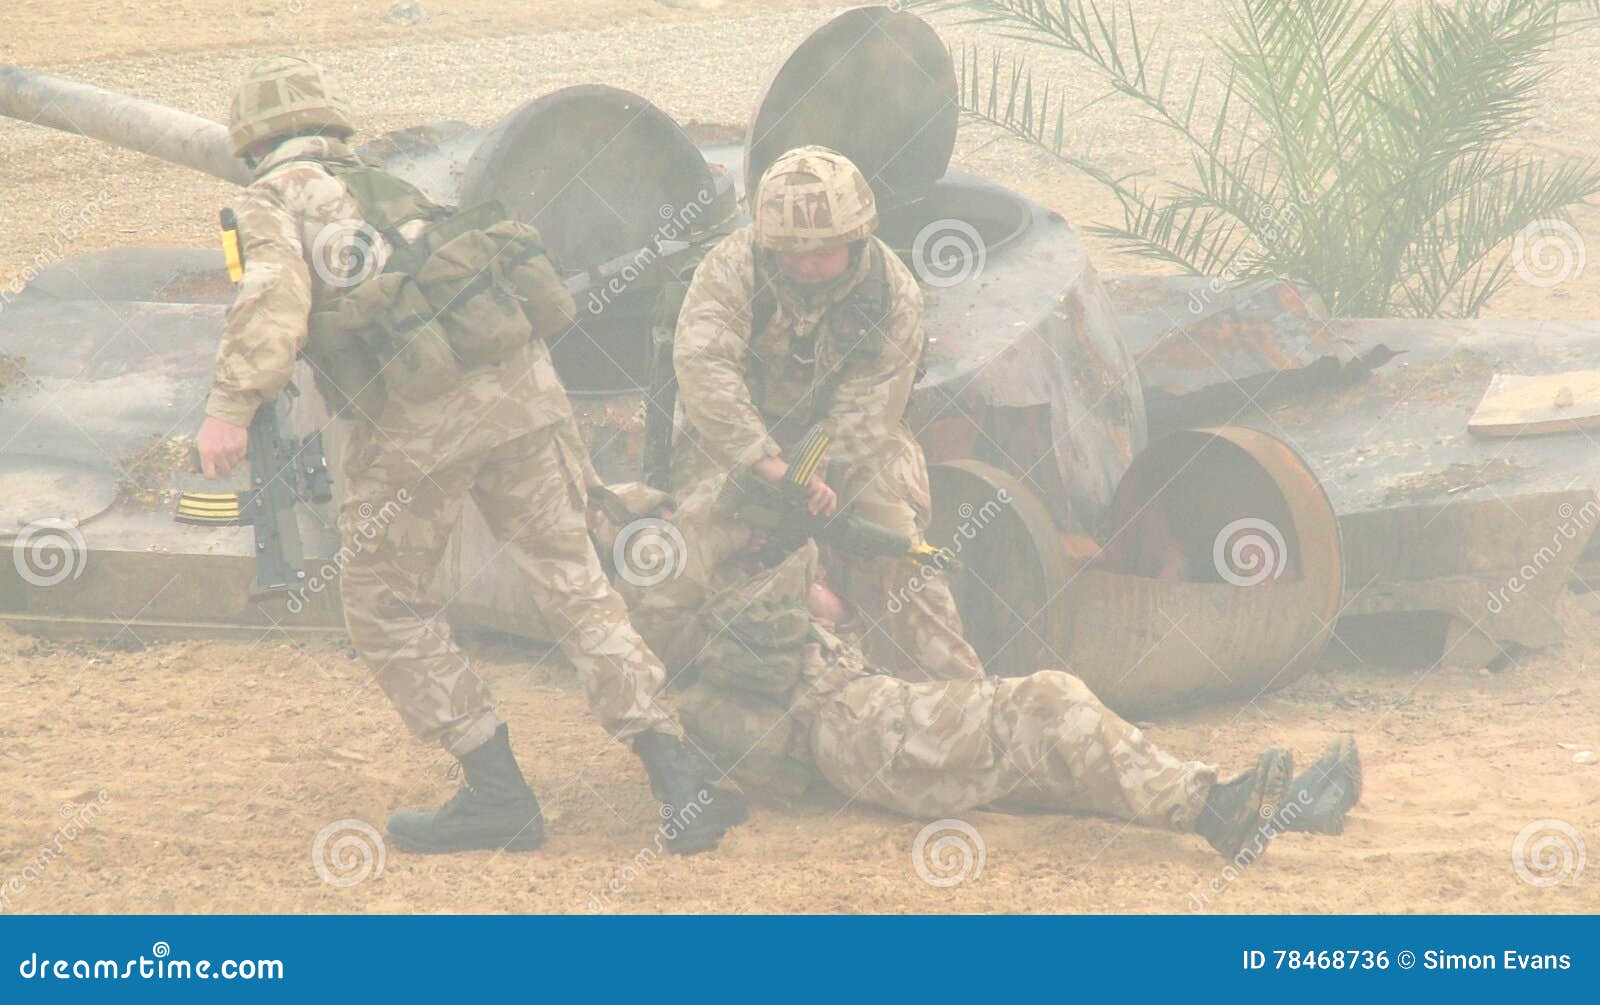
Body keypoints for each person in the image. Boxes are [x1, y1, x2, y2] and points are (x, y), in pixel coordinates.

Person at [195, 56, 742, 855]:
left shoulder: (270, 200)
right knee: (577, 585)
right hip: (523, 392)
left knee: (385, 602)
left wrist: (227, 410)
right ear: (333, 131)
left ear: (253, 151)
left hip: (419, 422)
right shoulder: (395, 190)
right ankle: (680, 783)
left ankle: (496, 792)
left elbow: (274, 295)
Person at [661, 544, 1362, 863]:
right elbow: (792, 599)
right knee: (1050, 699)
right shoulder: (727, 610)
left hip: (878, 723)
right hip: (864, 725)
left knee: (1070, 760)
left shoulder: (734, 626)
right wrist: (805, 536)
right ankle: (1221, 806)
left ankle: (1261, 808)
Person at [636, 145, 982, 682]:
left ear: (856, 238)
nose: (803, 265)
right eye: (789, 252)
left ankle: (959, 692)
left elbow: (869, 408)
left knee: (893, 539)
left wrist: (810, 477)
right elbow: (705, 370)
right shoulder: (732, 267)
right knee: (693, 536)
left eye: (821, 252)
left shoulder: (894, 296)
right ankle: (668, 684)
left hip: (851, 443)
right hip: (738, 437)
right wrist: (769, 467)